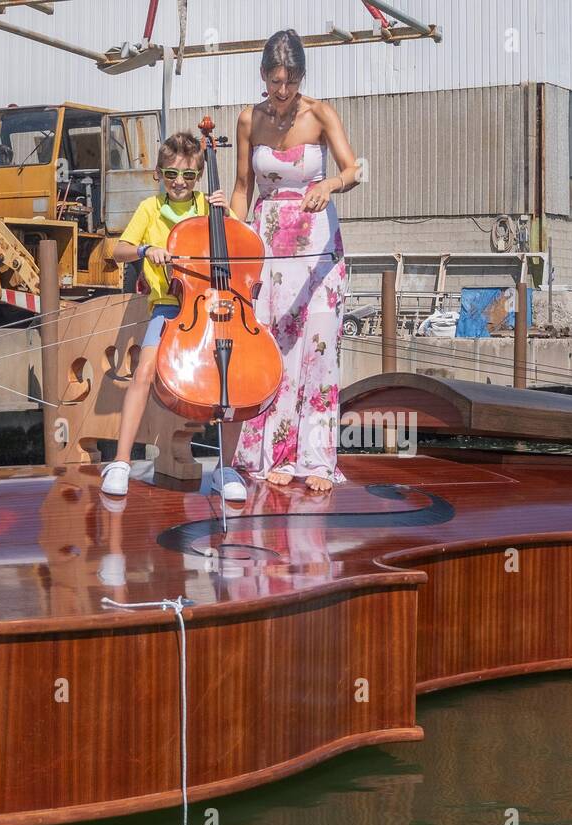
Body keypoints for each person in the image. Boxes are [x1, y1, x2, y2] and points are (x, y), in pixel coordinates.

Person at [228, 29, 361, 493]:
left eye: (291, 80)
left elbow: (352, 169)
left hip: (318, 249)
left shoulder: (320, 113)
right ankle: (273, 455)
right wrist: (231, 238)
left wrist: (328, 186)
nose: (282, 91)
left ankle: (317, 459)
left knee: (319, 351)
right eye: (275, 80)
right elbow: (243, 188)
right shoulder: (248, 119)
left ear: (302, 77)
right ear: (263, 75)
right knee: (274, 350)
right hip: (268, 249)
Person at [99, 131, 247, 502]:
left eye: (188, 176)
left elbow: (240, 244)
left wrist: (224, 212)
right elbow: (117, 250)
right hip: (169, 305)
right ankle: (120, 462)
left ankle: (225, 468)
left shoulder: (208, 205)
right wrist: (147, 250)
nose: (179, 183)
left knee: (235, 377)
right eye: (171, 175)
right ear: (159, 174)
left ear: (198, 175)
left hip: (214, 305)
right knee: (144, 373)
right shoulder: (150, 208)